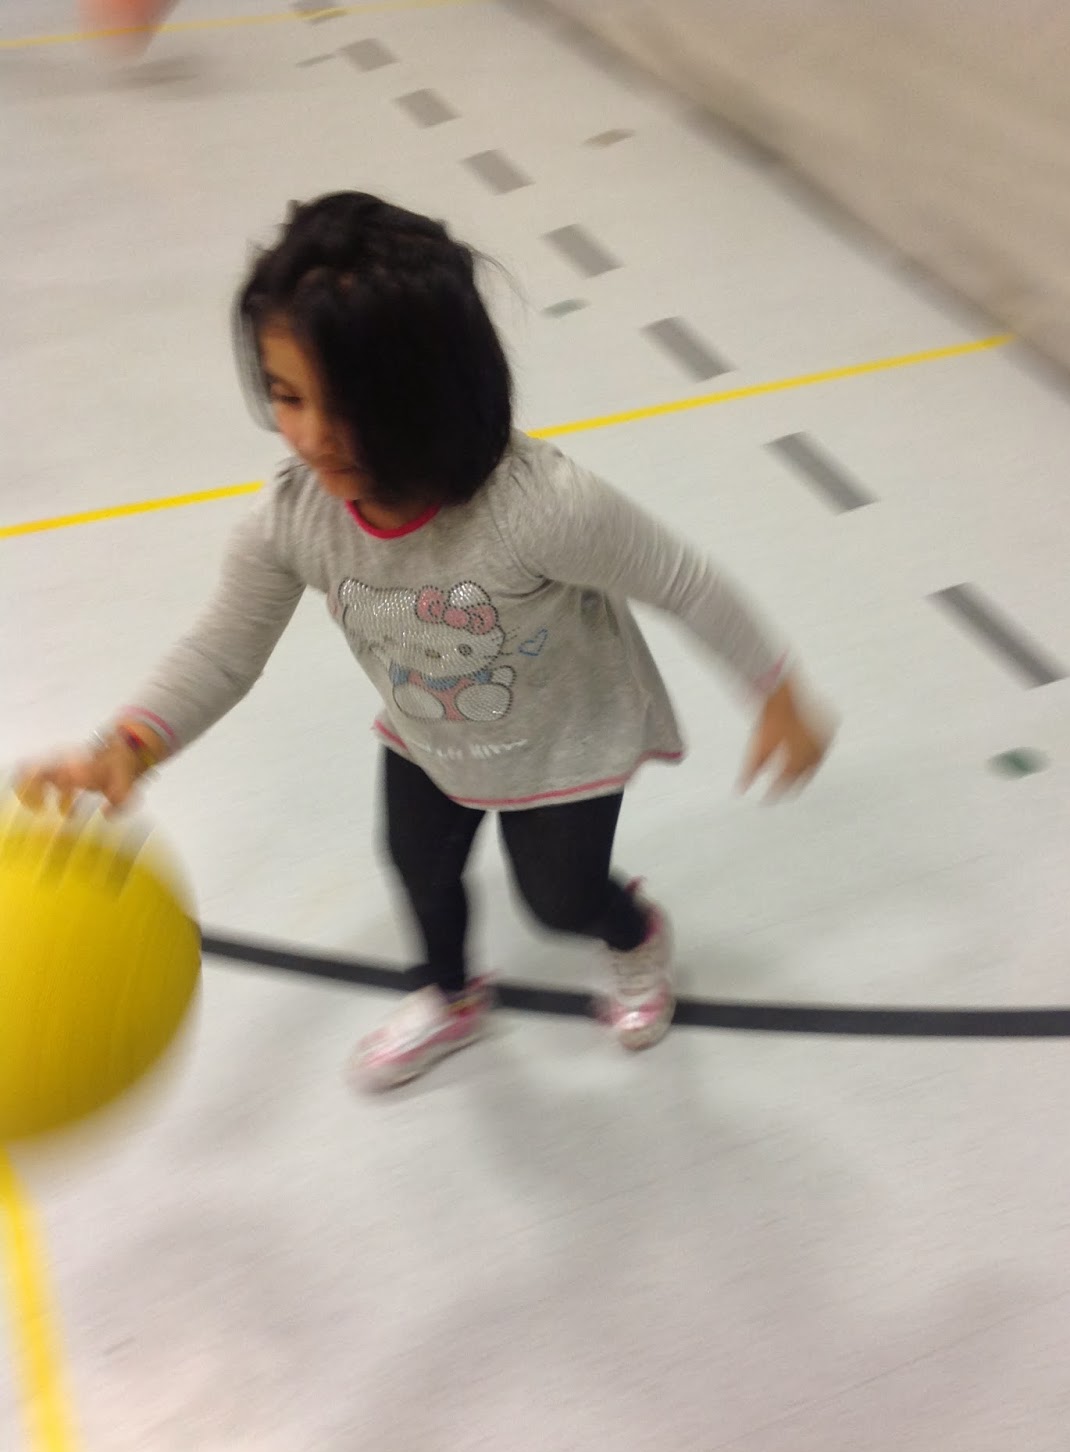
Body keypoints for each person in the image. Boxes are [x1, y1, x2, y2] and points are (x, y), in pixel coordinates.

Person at [18, 192, 831, 1090]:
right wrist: (129, 745)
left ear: (433, 390)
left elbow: (684, 579)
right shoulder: (296, 518)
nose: (313, 438)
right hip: (430, 731)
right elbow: (223, 647)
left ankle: (632, 934)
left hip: (564, 741)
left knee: (557, 900)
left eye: (348, 404)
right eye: (288, 396)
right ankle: (448, 994)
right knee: (417, 869)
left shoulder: (540, 508)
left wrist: (777, 693)